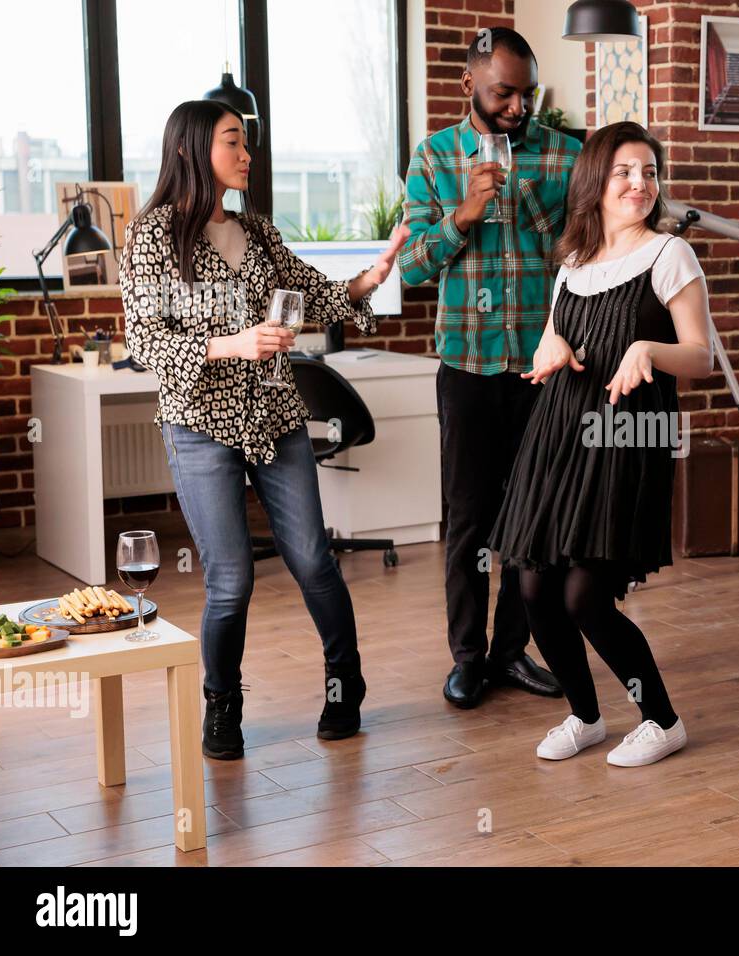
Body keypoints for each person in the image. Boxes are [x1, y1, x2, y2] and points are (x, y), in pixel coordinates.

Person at [121, 99, 406, 760]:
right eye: (233, 142)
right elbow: (146, 340)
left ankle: (345, 684)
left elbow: (312, 292)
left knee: (311, 559)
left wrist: (370, 277)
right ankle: (222, 704)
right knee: (230, 580)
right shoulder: (154, 236)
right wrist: (234, 343)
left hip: (277, 420)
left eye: (248, 142)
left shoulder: (260, 232)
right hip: (201, 427)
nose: (247, 153)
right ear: (193, 149)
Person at [488, 122, 714, 767]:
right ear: (595, 181)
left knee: (585, 596)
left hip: (625, 437)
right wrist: (550, 345)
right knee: (532, 587)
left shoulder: (670, 254)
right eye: (624, 172)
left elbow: (700, 357)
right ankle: (585, 715)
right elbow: (546, 347)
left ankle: (662, 720)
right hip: (557, 435)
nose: (639, 184)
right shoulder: (574, 264)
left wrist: (647, 348)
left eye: (648, 171)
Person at [399, 27, 580, 709]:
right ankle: (469, 658)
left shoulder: (564, 156)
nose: (517, 105)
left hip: (542, 369)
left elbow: (583, 250)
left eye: (527, 93)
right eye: (504, 91)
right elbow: (415, 268)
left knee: (532, 519)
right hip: (469, 368)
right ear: (468, 84)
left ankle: (512, 652)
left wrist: (527, 196)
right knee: (471, 519)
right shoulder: (434, 156)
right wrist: (466, 213)